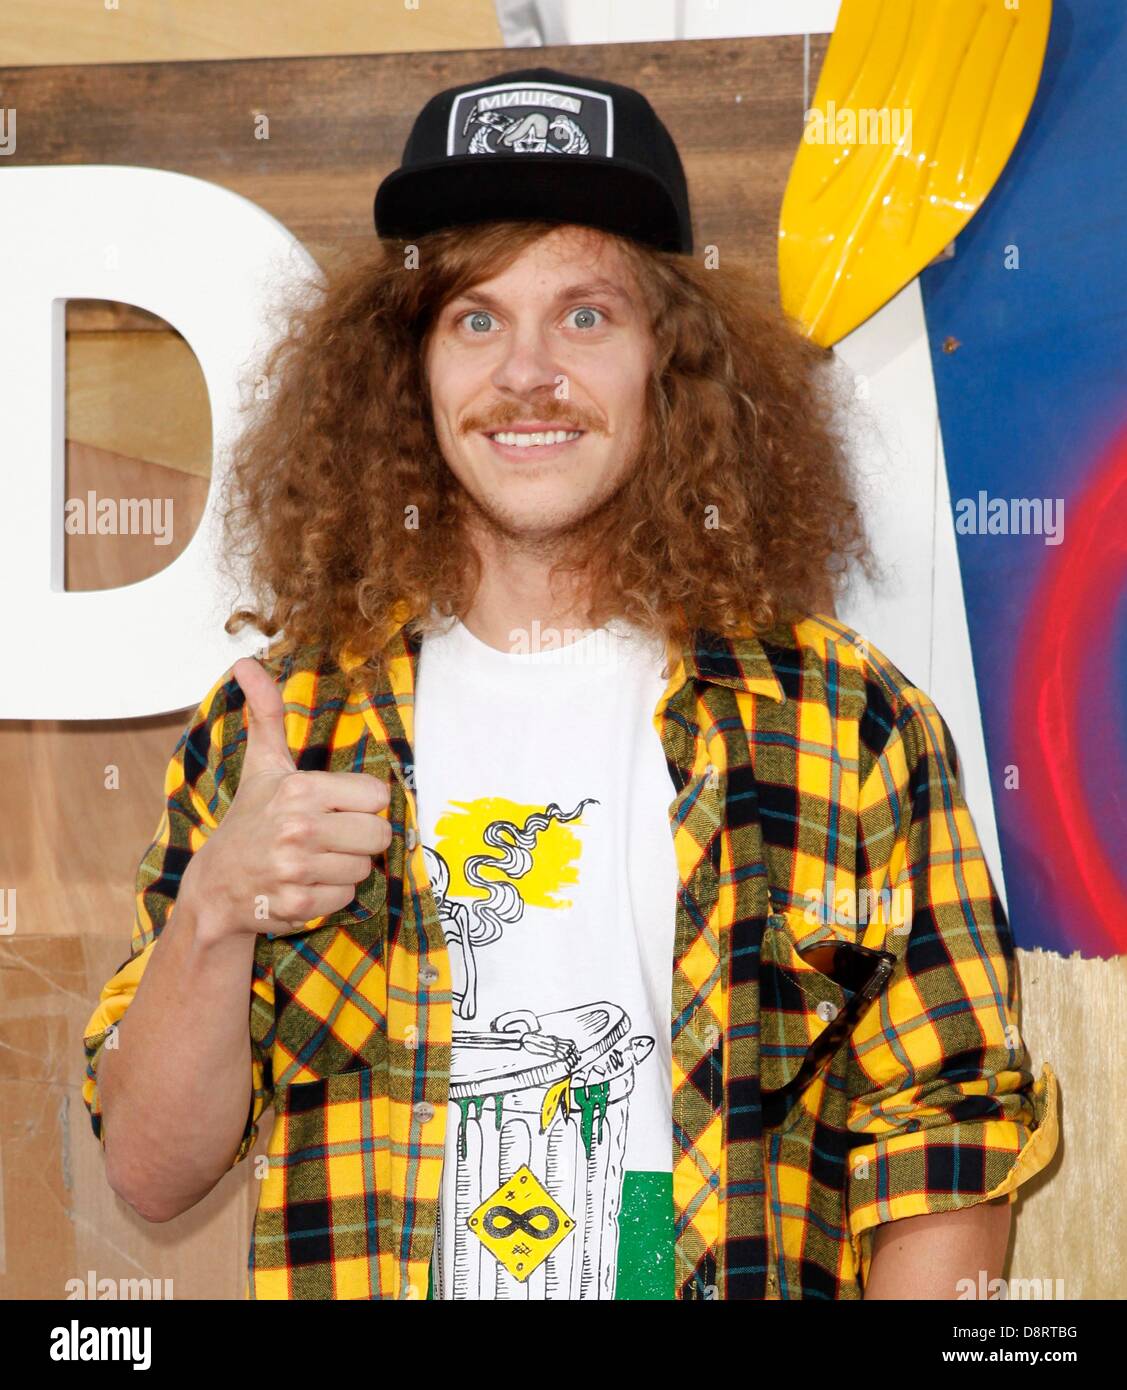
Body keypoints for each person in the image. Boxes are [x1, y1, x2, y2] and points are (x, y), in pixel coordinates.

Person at [81, 66, 1058, 1301]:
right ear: (408, 370)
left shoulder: (840, 719)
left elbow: (940, 1141)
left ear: (672, 357)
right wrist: (219, 905)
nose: (527, 373)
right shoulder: (288, 728)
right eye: (475, 318)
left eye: (584, 316)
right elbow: (151, 1174)